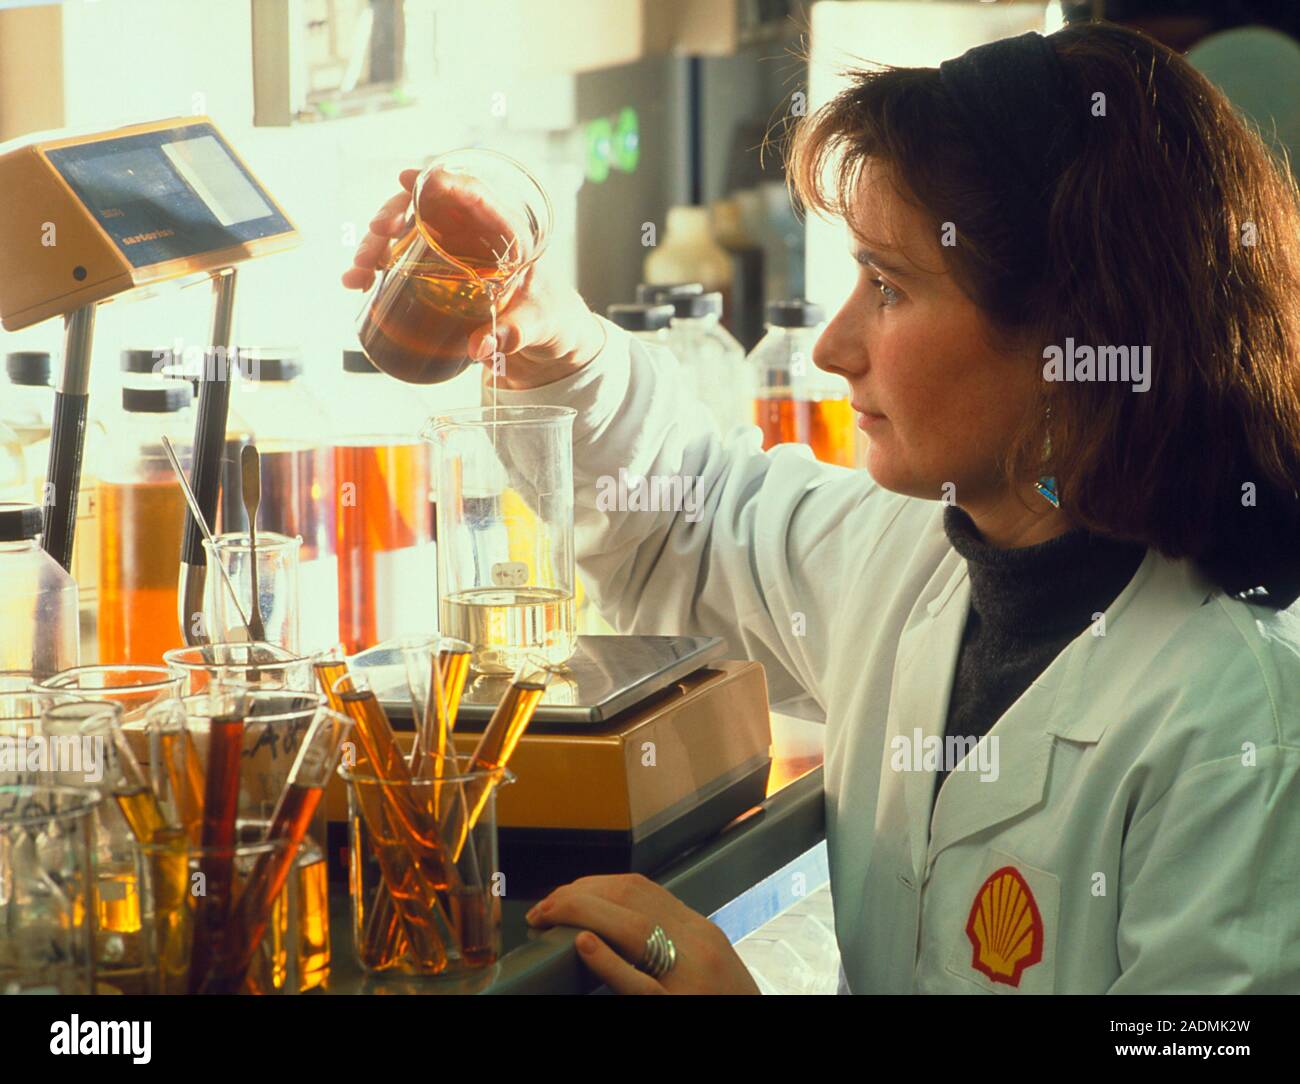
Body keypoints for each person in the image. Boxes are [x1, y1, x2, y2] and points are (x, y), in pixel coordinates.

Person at [343, 23, 1300, 993]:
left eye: (887, 286)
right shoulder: (923, 557)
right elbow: (687, 521)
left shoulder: (1243, 718)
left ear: (1071, 345)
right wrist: (549, 332)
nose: (834, 345)